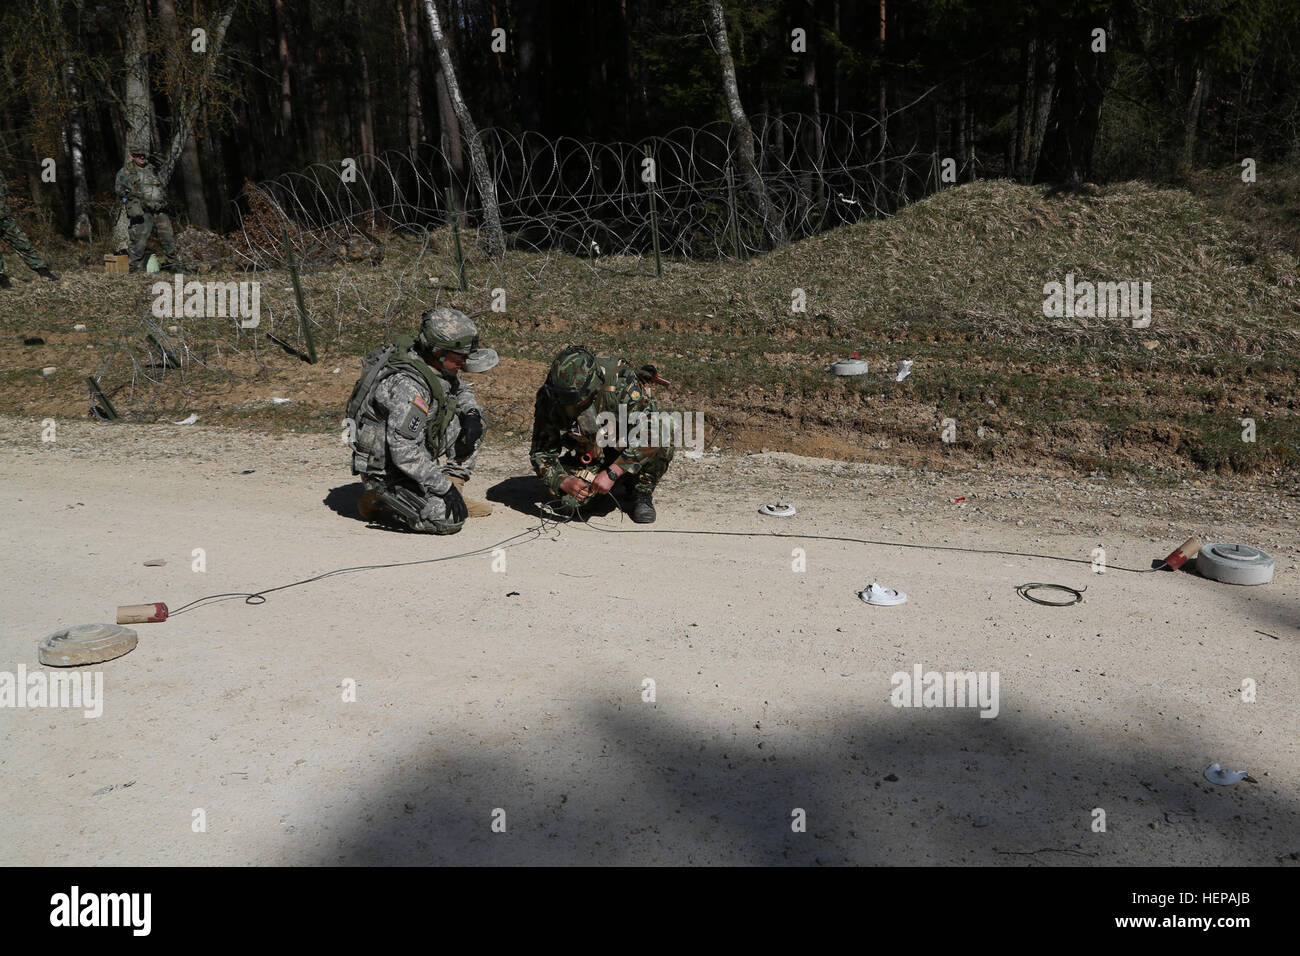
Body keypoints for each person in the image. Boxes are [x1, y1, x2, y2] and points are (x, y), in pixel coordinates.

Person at [347, 307, 494, 533]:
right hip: (389, 467)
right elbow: (403, 452)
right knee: (447, 521)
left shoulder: (433, 365)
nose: (464, 364)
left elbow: (458, 388)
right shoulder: (410, 386)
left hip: (415, 446)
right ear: (437, 351)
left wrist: (472, 414)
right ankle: (377, 496)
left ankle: (456, 489)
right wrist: (443, 488)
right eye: (460, 358)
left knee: (475, 420)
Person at [530, 345, 673, 523]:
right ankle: (607, 483)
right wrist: (562, 481)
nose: (567, 406)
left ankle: (640, 491)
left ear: (593, 387)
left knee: (666, 431)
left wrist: (613, 472)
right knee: (572, 504)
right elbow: (542, 452)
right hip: (592, 451)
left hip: (624, 442)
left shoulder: (621, 384)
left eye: (574, 400)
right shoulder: (550, 396)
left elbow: (653, 433)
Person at [114, 137, 180, 273]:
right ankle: (133, 268)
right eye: (139, 155)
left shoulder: (153, 169)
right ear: (132, 156)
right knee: (139, 241)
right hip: (142, 212)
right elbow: (119, 190)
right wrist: (131, 197)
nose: (142, 157)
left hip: (160, 210)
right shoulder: (125, 172)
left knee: (168, 238)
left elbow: (161, 186)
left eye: (144, 155)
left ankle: (172, 265)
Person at [0, 170, 59, 288]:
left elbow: (4, 192)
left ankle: (43, 271)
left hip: (5, 218)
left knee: (22, 242)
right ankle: (2, 279)